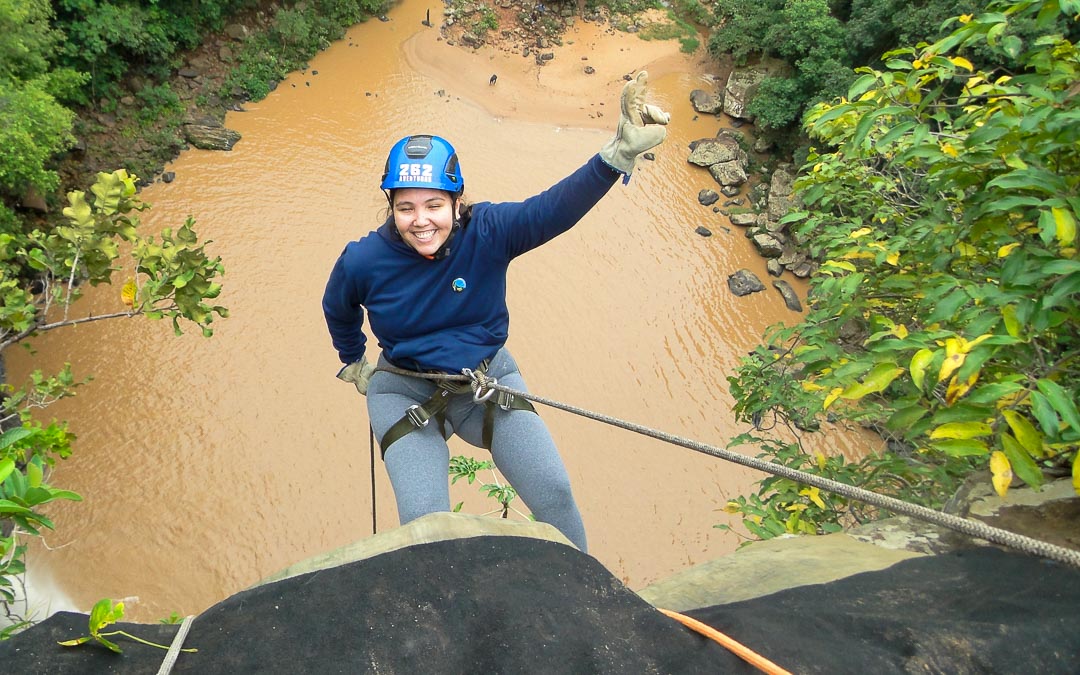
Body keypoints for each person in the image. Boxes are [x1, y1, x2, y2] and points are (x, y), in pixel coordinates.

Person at [322, 71, 670, 553]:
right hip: (402, 388)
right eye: (406, 208)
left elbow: (552, 210)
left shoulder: (488, 231)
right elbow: (336, 307)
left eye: (434, 205)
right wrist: (353, 357)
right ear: (390, 207)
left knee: (554, 493)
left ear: (456, 200)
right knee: (427, 530)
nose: (420, 221)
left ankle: (586, 599)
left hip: (487, 380)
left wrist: (616, 158)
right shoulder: (363, 260)